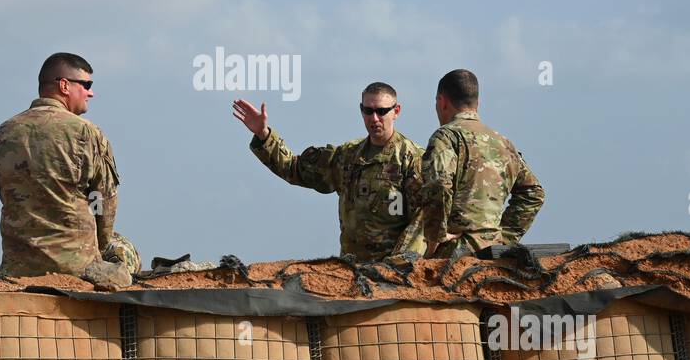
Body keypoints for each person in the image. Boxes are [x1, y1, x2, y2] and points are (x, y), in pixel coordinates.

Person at [232, 82, 425, 261]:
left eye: (382, 111)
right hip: (351, 273)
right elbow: (295, 169)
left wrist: (397, 270)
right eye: (368, 111)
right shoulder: (347, 157)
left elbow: (421, 224)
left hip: (391, 276)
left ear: (396, 111)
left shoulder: (412, 160)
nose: (374, 118)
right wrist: (263, 135)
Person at [0, 52, 140, 277]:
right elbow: (104, 201)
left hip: (17, 267)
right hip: (76, 268)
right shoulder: (86, 133)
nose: (91, 92)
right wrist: (99, 247)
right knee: (124, 249)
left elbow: (4, 190)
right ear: (65, 86)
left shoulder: (2, 133)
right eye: (87, 84)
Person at [420, 69, 544, 257]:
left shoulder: (446, 137)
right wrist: (505, 237)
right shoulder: (503, 143)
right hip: (495, 253)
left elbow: (438, 183)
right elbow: (534, 193)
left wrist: (434, 238)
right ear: (477, 103)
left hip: (455, 252)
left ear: (442, 101)